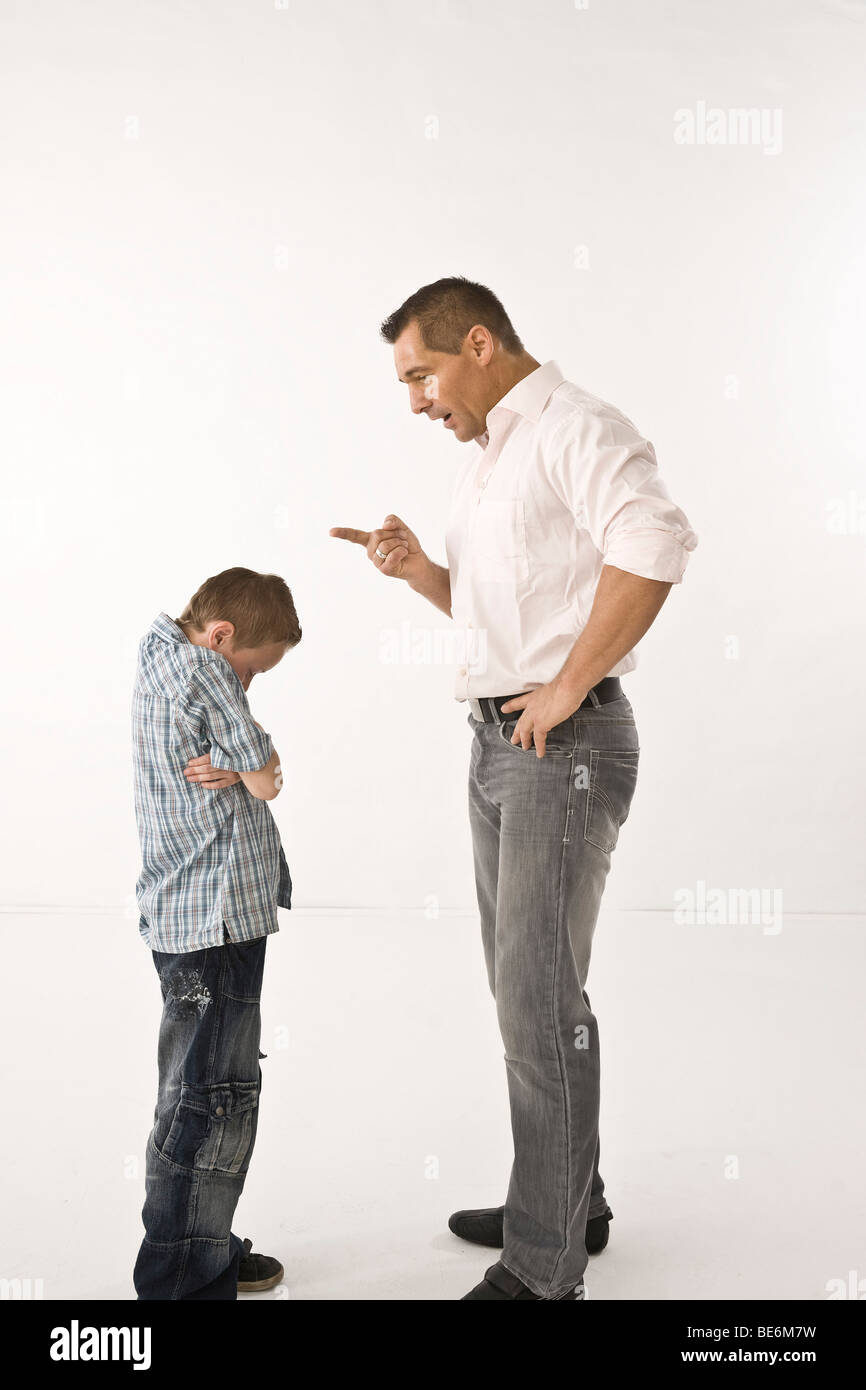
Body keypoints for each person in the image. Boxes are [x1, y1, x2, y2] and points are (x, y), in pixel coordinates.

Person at [331, 276, 698, 1301]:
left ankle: (542, 1268)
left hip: (561, 747)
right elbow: (515, 619)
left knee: (538, 1003)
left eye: (422, 374)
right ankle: (565, 1198)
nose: (415, 401)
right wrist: (419, 577)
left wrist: (568, 687)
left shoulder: (575, 426)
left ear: (478, 343)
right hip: (500, 740)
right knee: (525, 995)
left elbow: (655, 546)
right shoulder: (493, 456)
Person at [131, 566, 301, 1300]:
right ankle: (183, 1277)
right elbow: (267, 776)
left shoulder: (161, 649)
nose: (250, 685)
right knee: (213, 1098)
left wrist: (239, 764)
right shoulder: (205, 671)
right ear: (222, 635)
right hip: (218, 914)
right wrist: (252, 763)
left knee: (196, 1084)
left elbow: (244, 764)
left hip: (186, 911)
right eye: (253, 670)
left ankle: (204, 1243)